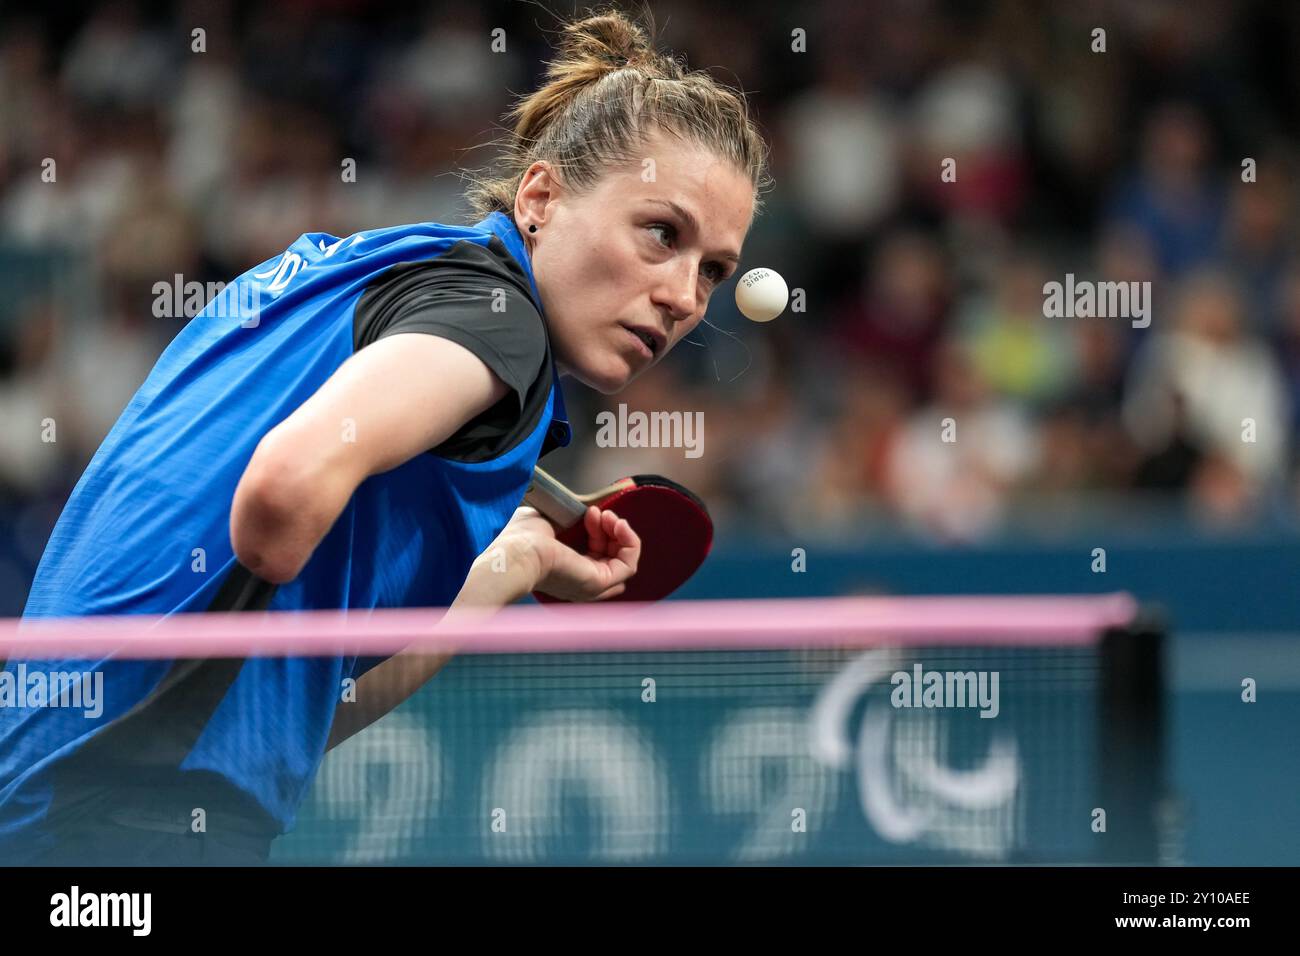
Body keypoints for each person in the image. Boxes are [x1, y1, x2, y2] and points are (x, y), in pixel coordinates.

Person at [0, 8, 768, 865]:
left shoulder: (346, 268)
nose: (684, 297)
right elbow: (282, 492)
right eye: (661, 233)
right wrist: (289, 512)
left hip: (54, 796)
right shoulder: (499, 325)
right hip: (134, 818)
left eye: (712, 271)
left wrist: (518, 564)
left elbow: (309, 712)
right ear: (540, 198)